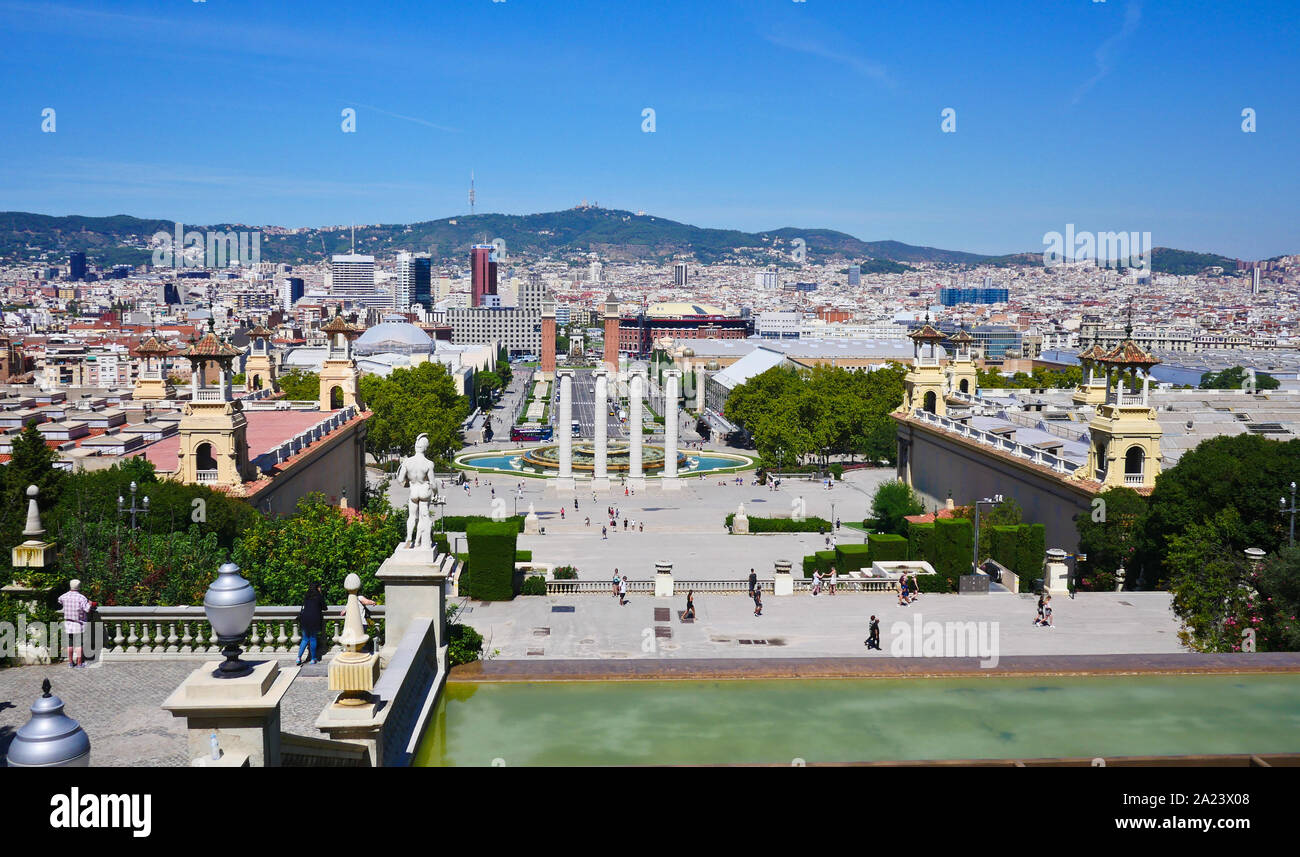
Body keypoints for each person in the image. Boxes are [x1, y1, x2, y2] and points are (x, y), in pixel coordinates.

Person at [58, 580, 93, 669]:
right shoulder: (82, 598)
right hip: (78, 624)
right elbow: (87, 609)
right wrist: (90, 604)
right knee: (78, 645)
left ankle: (70, 663)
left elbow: (60, 601)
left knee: (70, 644)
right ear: (79, 586)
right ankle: (79, 663)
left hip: (68, 623)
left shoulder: (64, 596)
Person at [296, 582, 327, 665]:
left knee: (305, 639)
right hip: (314, 619)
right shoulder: (318, 596)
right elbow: (325, 608)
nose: (321, 589)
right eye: (320, 587)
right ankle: (313, 659)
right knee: (313, 638)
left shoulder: (307, 596)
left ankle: (298, 658)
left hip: (304, 619)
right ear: (317, 588)